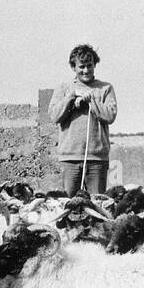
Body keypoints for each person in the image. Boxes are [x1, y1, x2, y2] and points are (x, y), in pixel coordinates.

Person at [48, 44, 117, 195]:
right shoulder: (64, 87)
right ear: (73, 67)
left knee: (97, 205)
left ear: (94, 65)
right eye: (81, 66)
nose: (86, 70)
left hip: (97, 159)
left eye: (89, 65)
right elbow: (54, 116)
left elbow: (110, 116)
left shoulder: (105, 88)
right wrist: (70, 98)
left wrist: (92, 100)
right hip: (70, 159)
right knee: (69, 205)